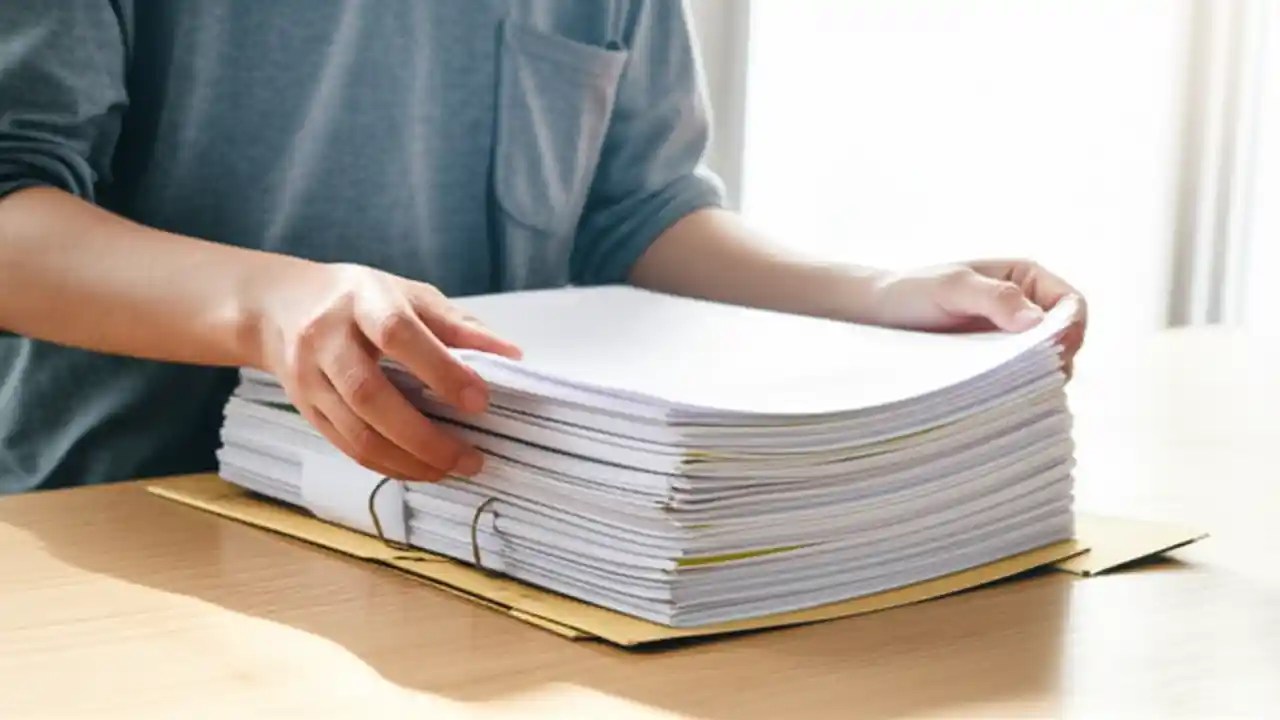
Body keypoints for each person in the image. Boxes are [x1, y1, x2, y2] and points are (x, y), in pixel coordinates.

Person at [0, 1, 1086, 494]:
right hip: (139, 516)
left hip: (494, 513)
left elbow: (635, 211)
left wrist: (879, 292)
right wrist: (274, 305)